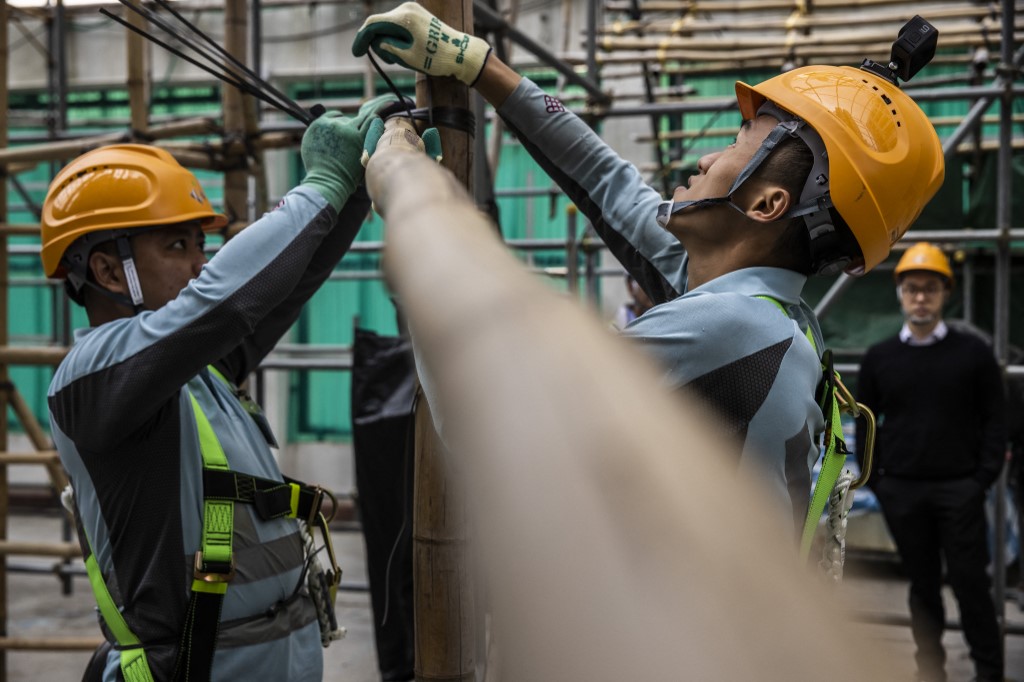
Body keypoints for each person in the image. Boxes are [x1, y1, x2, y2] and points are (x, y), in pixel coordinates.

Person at [351, 2, 945, 536]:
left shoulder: (734, 329)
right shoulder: (773, 320)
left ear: (767, 204)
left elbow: (485, 411)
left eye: (740, 139)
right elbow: (611, 184)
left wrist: (410, 202)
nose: (708, 154)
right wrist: (477, 65)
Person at [41, 97, 390, 681]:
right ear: (106, 272)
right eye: (178, 247)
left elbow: (281, 287)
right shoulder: (91, 378)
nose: (201, 264)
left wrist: (351, 190)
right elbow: (223, 303)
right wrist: (320, 183)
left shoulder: (196, 371)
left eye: (201, 246)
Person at [855, 242, 1006, 682]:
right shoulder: (880, 358)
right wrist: (879, 479)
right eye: (913, 288)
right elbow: (866, 423)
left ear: (945, 294)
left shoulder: (973, 354)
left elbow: (995, 419)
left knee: (970, 584)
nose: (921, 297)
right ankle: (930, 673)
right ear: (900, 293)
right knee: (922, 590)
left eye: (931, 289)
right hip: (902, 491)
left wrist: (981, 478)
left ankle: (990, 673)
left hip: (959, 488)